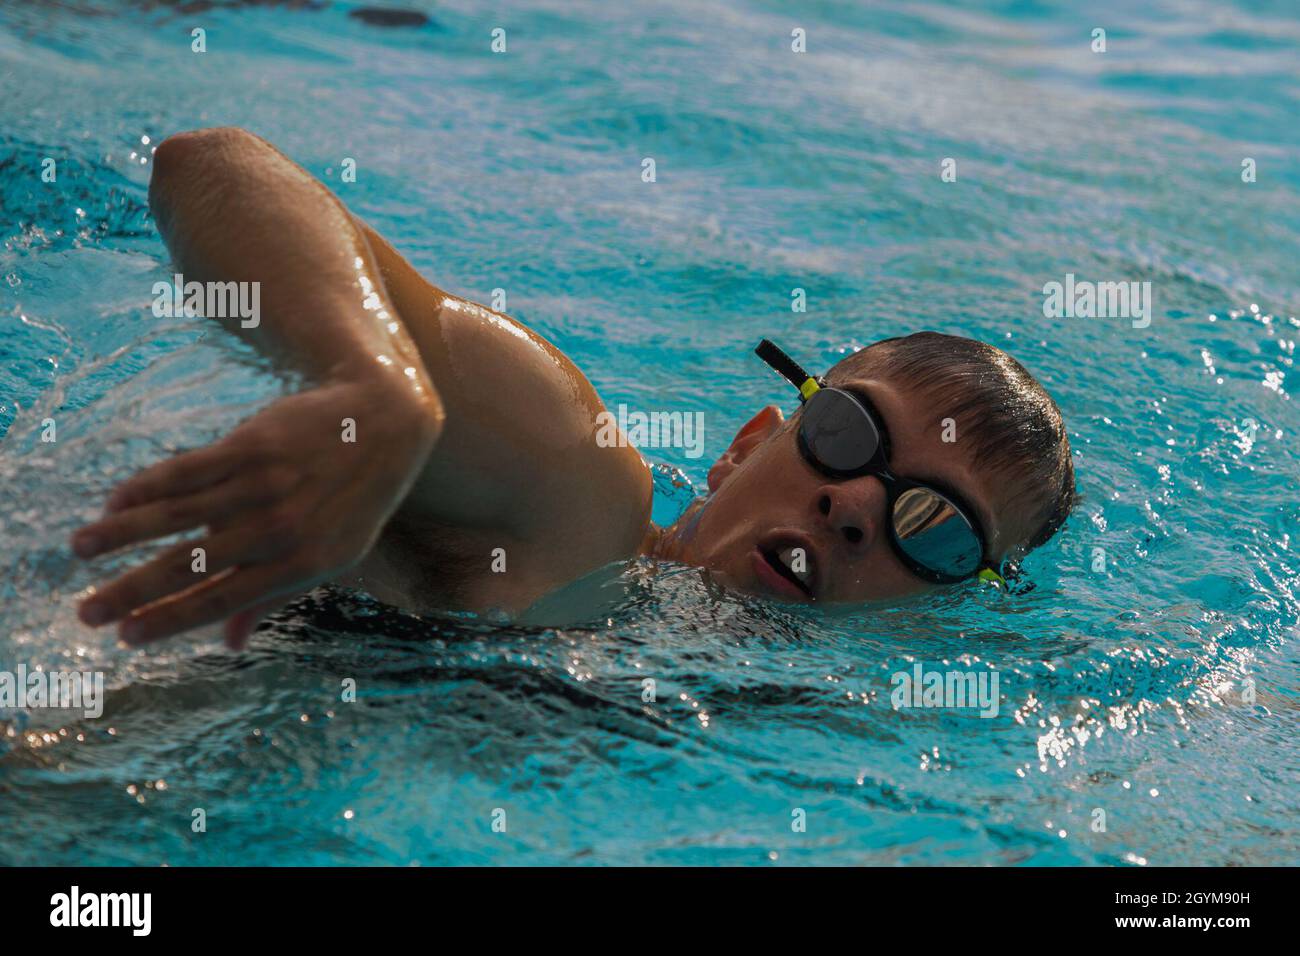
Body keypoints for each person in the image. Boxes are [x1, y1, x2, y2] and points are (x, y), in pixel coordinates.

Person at [71, 128, 1075, 649]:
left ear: (944, 614)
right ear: (744, 443)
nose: (856, 505)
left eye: (934, 528)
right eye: (848, 433)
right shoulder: (572, 494)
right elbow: (210, 168)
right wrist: (373, 384)